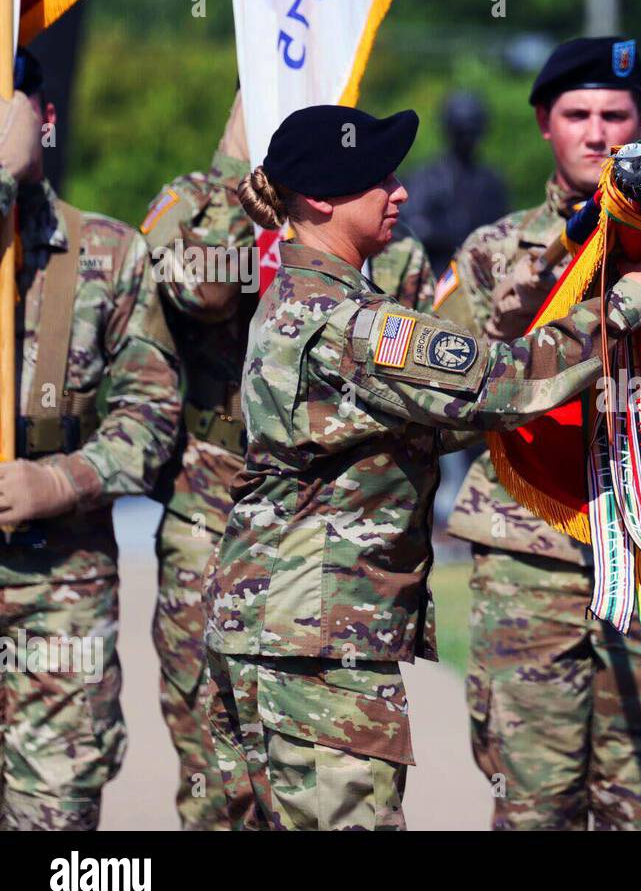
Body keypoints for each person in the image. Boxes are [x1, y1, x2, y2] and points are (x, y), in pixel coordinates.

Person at [201, 103, 641, 831]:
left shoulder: (299, 300)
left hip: (282, 629)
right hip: (317, 644)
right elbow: (506, 380)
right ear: (320, 199)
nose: (401, 192)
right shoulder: (351, 324)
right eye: (380, 179)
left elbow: (433, 420)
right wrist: (627, 301)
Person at [435, 37, 641, 831]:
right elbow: (464, 380)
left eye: (616, 115)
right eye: (578, 114)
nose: (598, 134)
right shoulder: (494, 251)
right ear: (544, 123)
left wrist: (618, 235)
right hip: (529, 546)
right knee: (531, 804)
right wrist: (560, 252)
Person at [141, 92, 441, 830]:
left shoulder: (383, 242)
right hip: (212, 505)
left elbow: (431, 388)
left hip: (329, 533)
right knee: (221, 774)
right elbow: (202, 288)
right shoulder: (192, 203)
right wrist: (236, 171)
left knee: (314, 779)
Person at [0, 48, 182, 830]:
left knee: (55, 812)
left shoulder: (108, 253)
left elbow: (152, 413)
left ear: (44, 119)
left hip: (57, 583)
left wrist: (58, 482)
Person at [403, 92, 509, 276]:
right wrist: (460, 236)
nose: (468, 138)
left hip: (482, 279)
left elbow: (504, 231)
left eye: (472, 130)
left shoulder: (491, 181)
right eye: (461, 131)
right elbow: (413, 227)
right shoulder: (427, 178)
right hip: (436, 278)